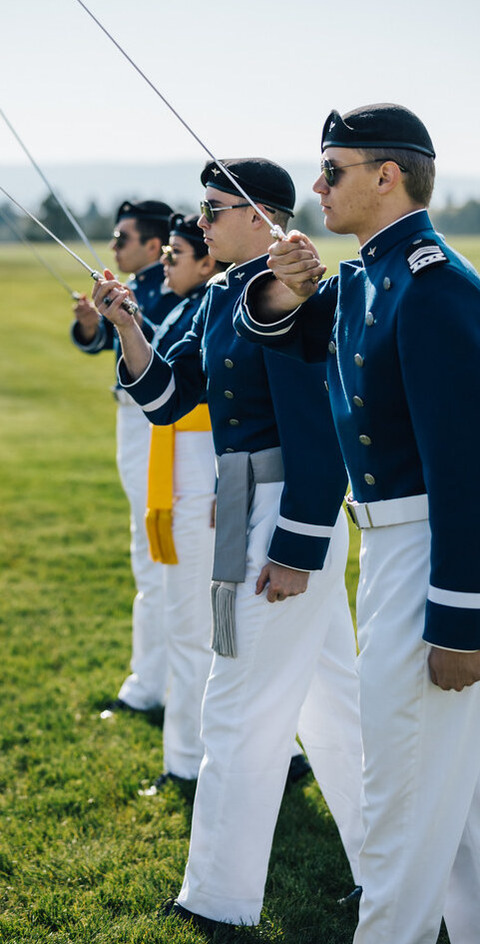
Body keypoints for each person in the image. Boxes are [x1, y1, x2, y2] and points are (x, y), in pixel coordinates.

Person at [91, 157, 364, 928]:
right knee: (335, 706)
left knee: (236, 705)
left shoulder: (294, 292)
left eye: (212, 211)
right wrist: (126, 326)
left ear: (261, 216)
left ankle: (217, 902)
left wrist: (297, 548)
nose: (200, 225)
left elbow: (318, 431)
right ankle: (388, 868)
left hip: (284, 514)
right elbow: (169, 399)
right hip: (243, 501)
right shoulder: (219, 294)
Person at [234, 104, 480, 944]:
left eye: (332, 169)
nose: (316, 186)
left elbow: (466, 474)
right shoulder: (368, 278)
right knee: (451, 792)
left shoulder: (434, 287)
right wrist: (287, 280)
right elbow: (269, 329)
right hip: (386, 548)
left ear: (388, 175)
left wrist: (460, 619)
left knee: (401, 787)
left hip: (428, 555)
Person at [71, 199, 179, 716]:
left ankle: (152, 685)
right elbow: (101, 347)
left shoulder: (173, 283)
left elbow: (170, 353)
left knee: (156, 555)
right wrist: (93, 325)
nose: (113, 246)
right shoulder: (142, 285)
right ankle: (149, 680)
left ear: (154, 246)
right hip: (132, 422)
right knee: (148, 554)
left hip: (160, 423)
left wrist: (126, 316)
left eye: (122, 238)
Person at [137, 212, 221, 790]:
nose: (163, 264)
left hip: (206, 471)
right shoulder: (191, 305)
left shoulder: (212, 305)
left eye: (174, 255)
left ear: (207, 262)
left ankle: (189, 761)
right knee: (190, 620)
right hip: (178, 465)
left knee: (197, 627)